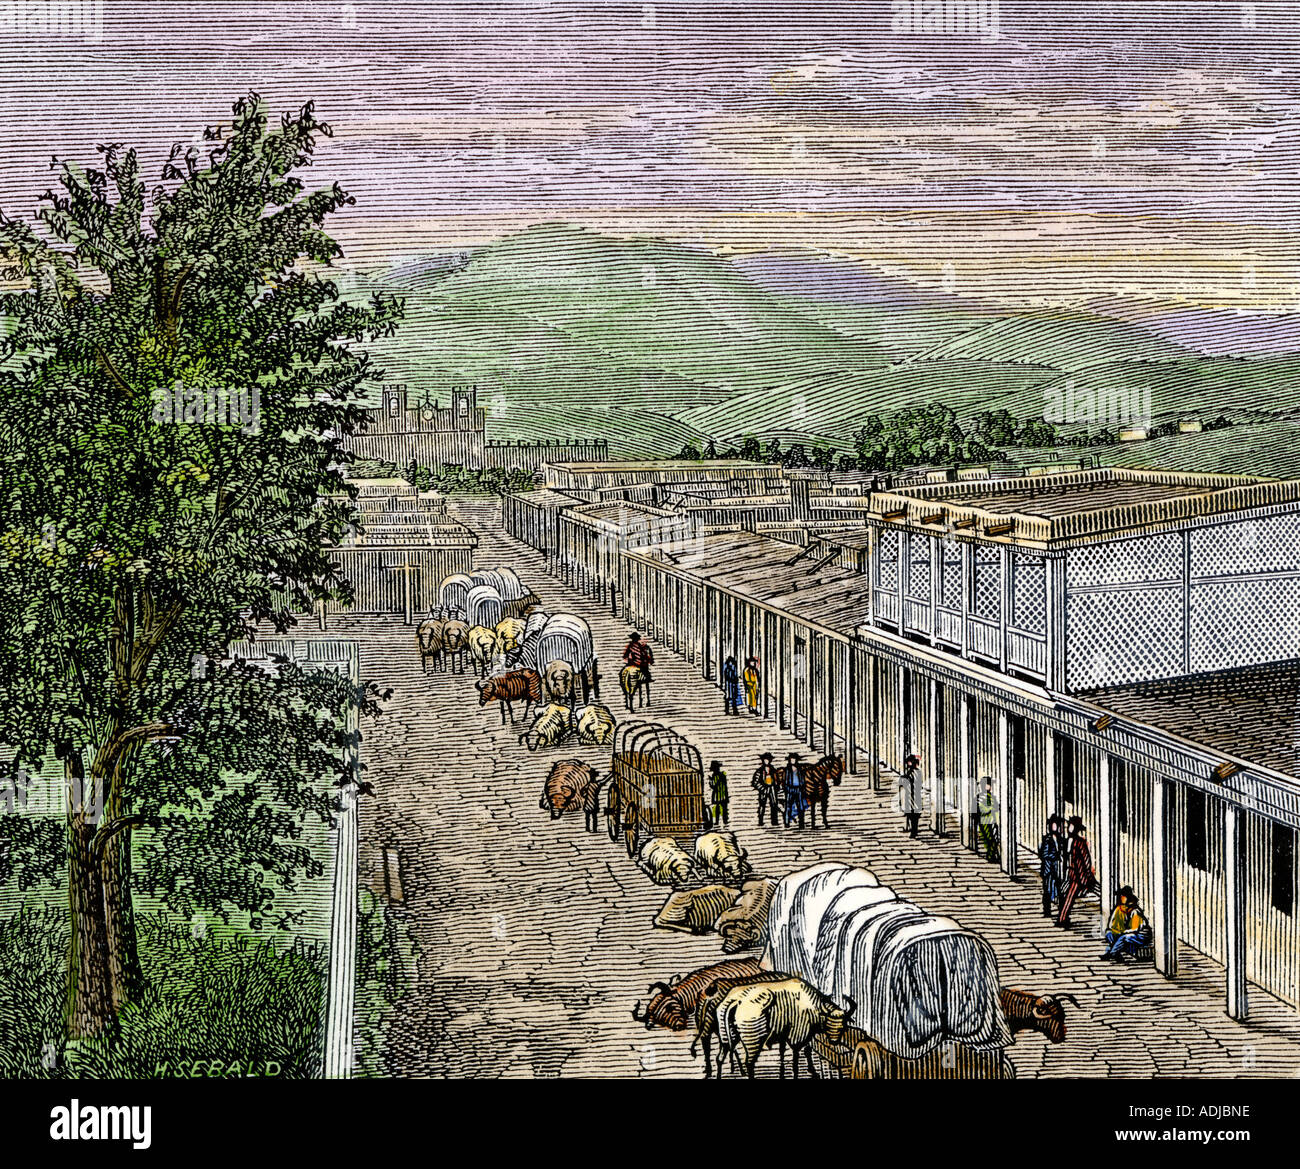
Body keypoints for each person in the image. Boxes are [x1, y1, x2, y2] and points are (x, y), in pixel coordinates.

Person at [1057, 816, 1097, 927]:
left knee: (1070, 896)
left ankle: (1062, 918)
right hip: (1068, 872)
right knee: (1065, 895)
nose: (1069, 828)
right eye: (1069, 826)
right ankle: (1062, 916)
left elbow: (1086, 859)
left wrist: (1087, 875)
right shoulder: (1067, 840)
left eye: (1072, 826)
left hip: (1077, 874)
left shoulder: (1080, 842)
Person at [1101, 886, 1153, 961]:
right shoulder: (1119, 909)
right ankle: (1116, 953)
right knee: (1109, 933)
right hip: (1126, 932)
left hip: (1140, 934)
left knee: (1124, 937)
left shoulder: (1135, 910)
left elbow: (1135, 928)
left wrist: (1122, 932)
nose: (1121, 897)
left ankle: (1111, 953)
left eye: (1123, 896)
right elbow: (1112, 925)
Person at [1038, 814, 1064, 918]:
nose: (1057, 827)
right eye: (1055, 825)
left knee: (1060, 891)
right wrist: (1055, 856)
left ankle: (1061, 912)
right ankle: (1047, 911)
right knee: (1047, 891)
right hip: (1048, 869)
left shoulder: (1061, 839)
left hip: (1057, 869)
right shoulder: (1047, 839)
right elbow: (1044, 854)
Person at [752, 751, 779, 827]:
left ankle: (774, 821)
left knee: (774, 805)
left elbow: (777, 779)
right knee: (762, 805)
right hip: (764, 789)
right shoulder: (760, 771)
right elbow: (755, 782)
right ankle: (760, 821)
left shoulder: (773, 769)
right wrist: (762, 788)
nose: (766, 761)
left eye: (768, 760)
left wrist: (776, 786)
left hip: (772, 788)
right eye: (765, 760)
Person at [899, 754, 922, 838]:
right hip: (911, 796)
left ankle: (913, 831)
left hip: (913, 796)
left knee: (913, 815)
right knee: (911, 814)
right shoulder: (913, 772)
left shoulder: (915, 772)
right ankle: (912, 829)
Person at [977, 777, 1000, 863]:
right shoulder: (982, 797)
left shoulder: (989, 796)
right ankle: (991, 856)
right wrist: (992, 808)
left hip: (991, 820)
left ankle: (992, 855)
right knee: (990, 840)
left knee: (993, 839)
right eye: (989, 784)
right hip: (985, 821)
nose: (990, 786)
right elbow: (983, 809)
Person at [783, 752, 806, 829]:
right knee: (788, 807)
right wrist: (787, 788)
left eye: (794, 759)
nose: (793, 760)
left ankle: (801, 824)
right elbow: (785, 781)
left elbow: (802, 779)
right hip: (790, 789)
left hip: (798, 789)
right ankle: (786, 822)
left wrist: (802, 787)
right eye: (791, 759)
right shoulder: (787, 770)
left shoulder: (800, 769)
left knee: (801, 807)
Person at [708, 760, 730, 827]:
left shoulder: (715, 776)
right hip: (722, 795)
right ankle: (724, 821)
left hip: (718, 795)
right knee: (723, 809)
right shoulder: (723, 774)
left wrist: (710, 780)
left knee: (718, 809)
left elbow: (713, 785)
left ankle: (718, 821)